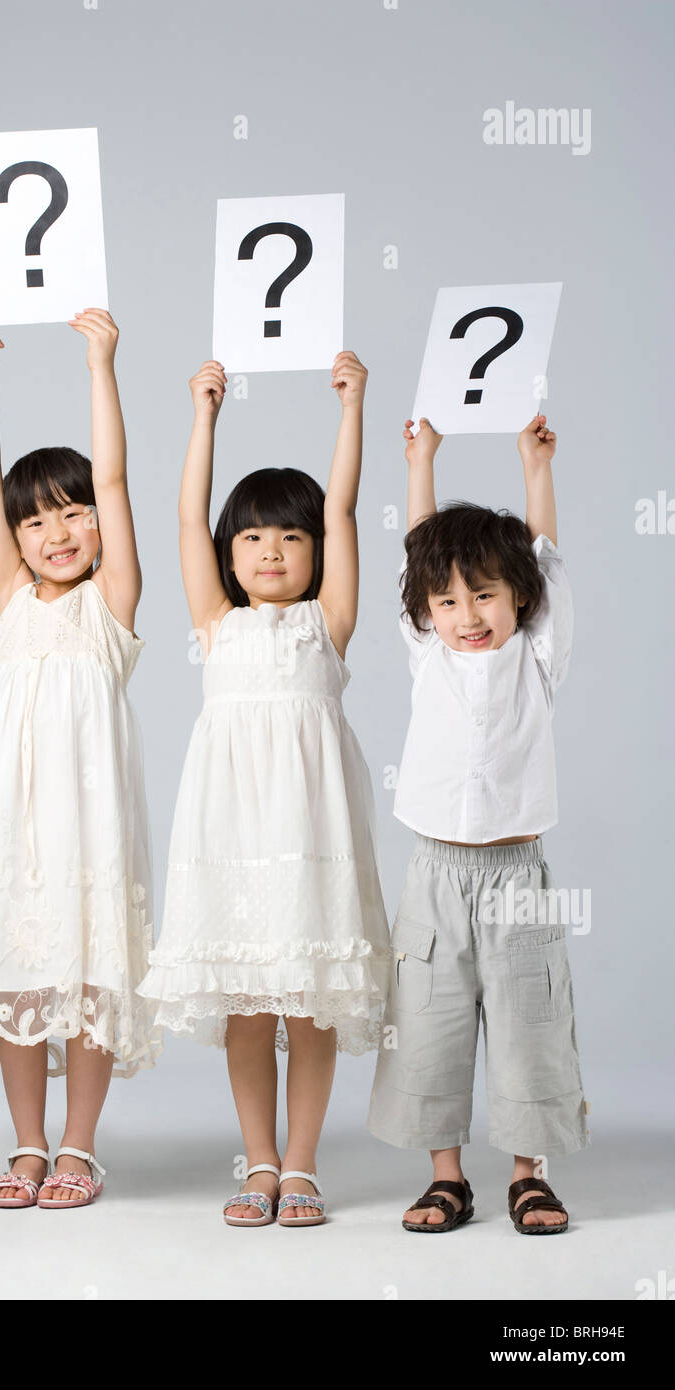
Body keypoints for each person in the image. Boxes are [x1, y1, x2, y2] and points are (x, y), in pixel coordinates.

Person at [136, 352, 390, 1226]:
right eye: (250, 537)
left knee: (308, 1003)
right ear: (228, 555)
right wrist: (205, 414)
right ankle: (258, 1161)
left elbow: (348, 505)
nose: (270, 550)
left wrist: (353, 409)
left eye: (290, 535)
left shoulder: (330, 623)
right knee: (249, 1003)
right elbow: (182, 516)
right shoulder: (217, 624)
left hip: (310, 831)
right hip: (232, 834)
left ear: (315, 551)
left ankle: (305, 1165)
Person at [0, 308, 161, 1208]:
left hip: (88, 826)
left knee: (87, 968)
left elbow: (115, 470)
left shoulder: (112, 604)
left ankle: (77, 1147)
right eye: (38, 522)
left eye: (73, 513)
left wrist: (100, 361)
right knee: (19, 973)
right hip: (6, 822)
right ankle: (27, 1144)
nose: (57, 530)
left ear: (98, 523)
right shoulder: (8, 599)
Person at [367, 413, 589, 1234]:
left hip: (517, 869)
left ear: (516, 598)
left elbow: (550, 566)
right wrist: (423, 459)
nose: (467, 615)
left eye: (485, 596)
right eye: (450, 600)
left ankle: (530, 1174)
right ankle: (446, 1176)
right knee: (431, 1016)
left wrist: (535, 468)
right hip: (435, 871)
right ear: (428, 609)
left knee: (531, 1018)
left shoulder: (536, 656)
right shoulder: (430, 653)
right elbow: (418, 548)